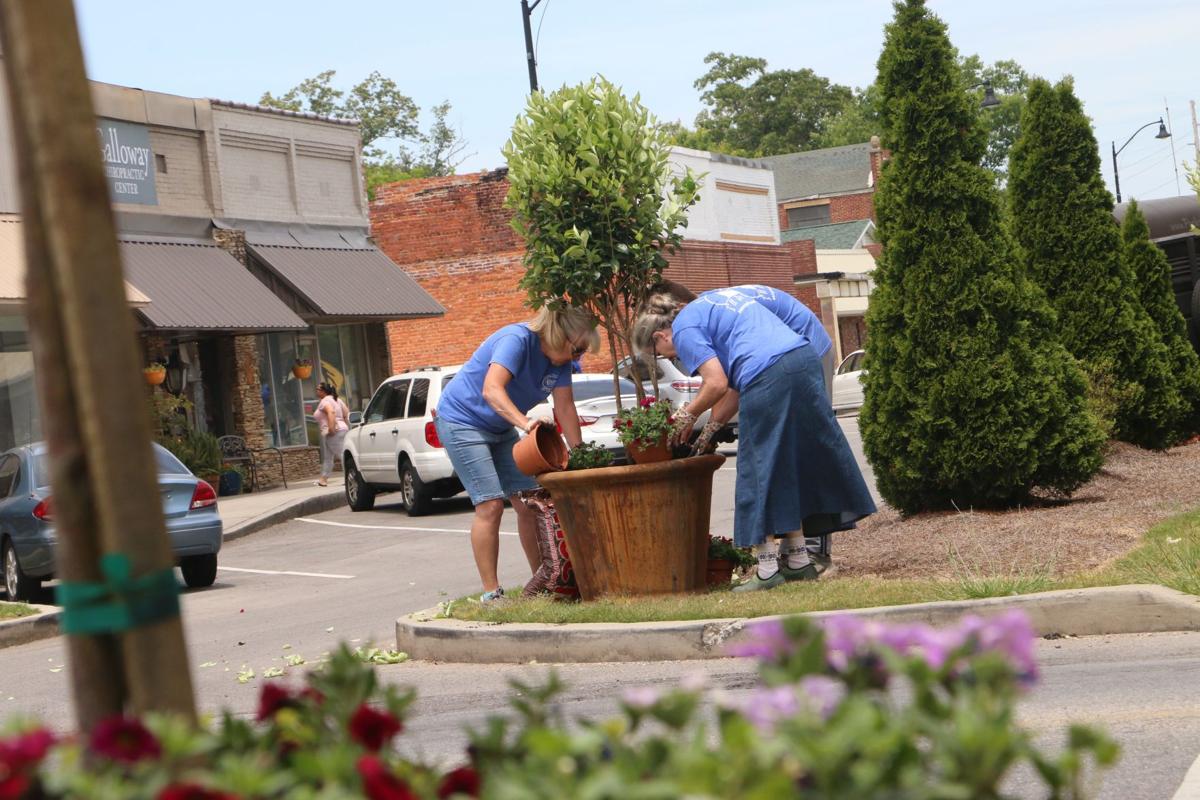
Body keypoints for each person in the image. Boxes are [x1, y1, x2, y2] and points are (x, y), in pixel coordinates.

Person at [632, 287, 876, 592]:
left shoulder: (684, 329)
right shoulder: (711, 309)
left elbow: (716, 383)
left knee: (756, 470)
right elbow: (734, 386)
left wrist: (687, 415)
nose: (674, 357)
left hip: (771, 373)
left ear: (660, 336)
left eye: (660, 355)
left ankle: (767, 569)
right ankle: (799, 561)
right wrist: (710, 429)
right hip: (803, 359)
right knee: (785, 467)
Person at [436, 306, 600, 603]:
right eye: (577, 349)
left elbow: (565, 408)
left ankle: (543, 585)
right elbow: (491, 390)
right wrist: (525, 424)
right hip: (462, 422)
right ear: (559, 335)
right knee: (490, 506)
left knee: (530, 504)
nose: (578, 358)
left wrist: (580, 456)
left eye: (582, 352)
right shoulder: (516, 340)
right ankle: (492, 595)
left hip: (500, 426)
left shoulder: (560, 362)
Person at [315, 382, 350, 487]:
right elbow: (346, 413)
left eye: (318, 389)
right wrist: (344, 425)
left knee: (342, 455)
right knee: (328, 457)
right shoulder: (337, 400)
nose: (316, 391)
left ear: (323, 391)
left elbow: (331, 412)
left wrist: (331, 428)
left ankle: (351, 477)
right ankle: (323, 479)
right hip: (341, 429)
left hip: (334, 432)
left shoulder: (324, 401)